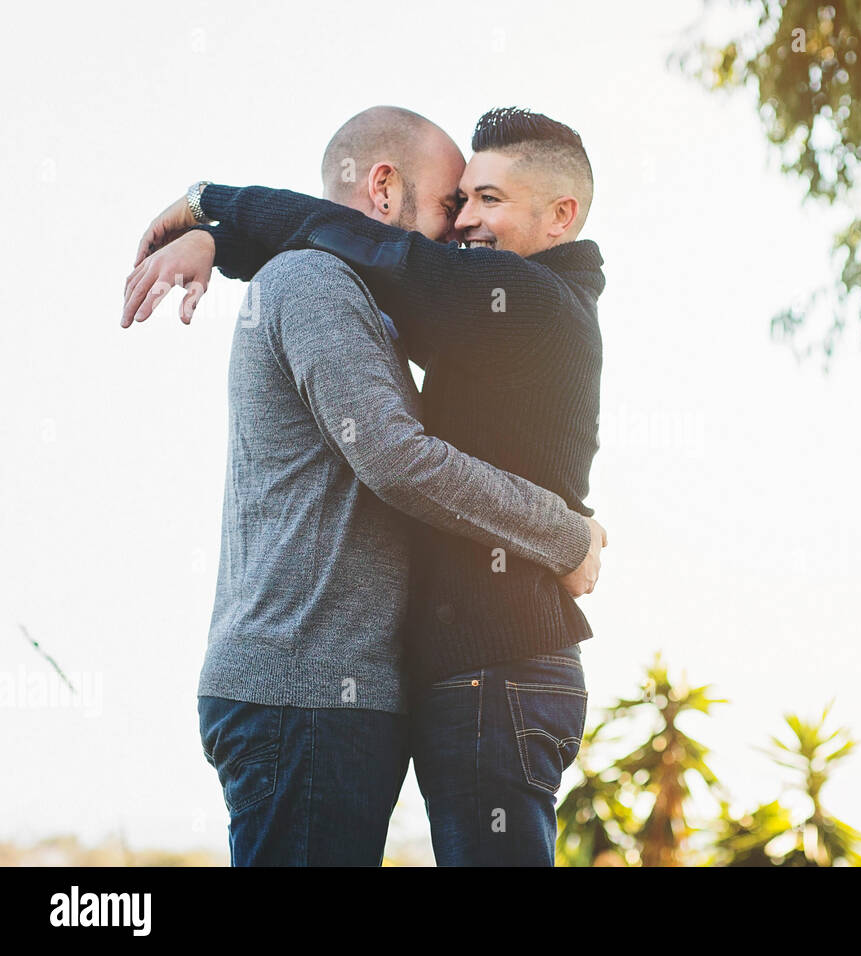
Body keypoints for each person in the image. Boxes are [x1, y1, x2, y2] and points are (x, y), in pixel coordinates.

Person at [121, 105, 607, 866]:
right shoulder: (319, 283)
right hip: (305, 686)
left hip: (353, 686)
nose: (459, 227)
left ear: (561, 214)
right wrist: (566, 534)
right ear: (382, 188)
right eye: (453, 201)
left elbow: (382, 260)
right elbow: (395, 455)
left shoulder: (519, 300)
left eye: (484, 201)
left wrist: (217, 222)